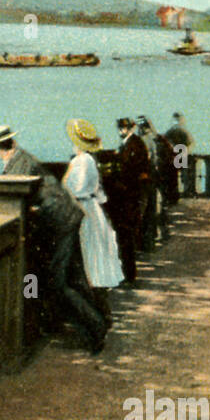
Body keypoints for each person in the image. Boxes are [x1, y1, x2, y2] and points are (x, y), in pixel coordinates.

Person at [0, 124, 109, 356]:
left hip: (60, 223)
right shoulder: (23, 158)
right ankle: (100, 321)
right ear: (13, 142)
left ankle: (96, 327)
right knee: (74, 277)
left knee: (59, 283)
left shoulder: (17, 167)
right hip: (68, 218)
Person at [63, 119, 124, 322]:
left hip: (84, 211)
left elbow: (79, 188)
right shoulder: (86, 160)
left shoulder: (83, 161)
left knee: (89, 260)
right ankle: (99, 310)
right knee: (91, 260)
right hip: (91, 209)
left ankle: (97, 313)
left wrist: (66, 195)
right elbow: (99, 192)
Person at [108, 117, 150, 284]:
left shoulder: (135, 144)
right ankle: (128, 273)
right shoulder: (129, 143)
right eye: (119, 128)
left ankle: (129, 274)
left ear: (131, 128)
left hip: (128, 197)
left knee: (126, 236)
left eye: (124, 128)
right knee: (125, 236)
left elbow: (134, 169)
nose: (121, 130)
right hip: (128, 197)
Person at [137, 116, 161, 249]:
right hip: (151, 177)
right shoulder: (152, 139)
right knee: (150, 208)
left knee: (145, 208)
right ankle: (150, 239)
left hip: (145, 178)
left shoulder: (143, 140)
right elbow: (155, 159)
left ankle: (145, 240)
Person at [163, 112, 194, 199]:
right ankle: (182, 192)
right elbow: (190, 144)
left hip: (175, 157)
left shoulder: (171, 132)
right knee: (180, 176)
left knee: (176, 177)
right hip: (179, 156)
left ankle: (176, 193)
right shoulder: (183, 132)